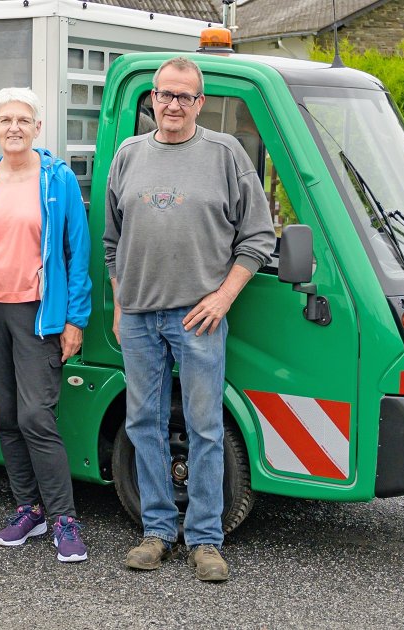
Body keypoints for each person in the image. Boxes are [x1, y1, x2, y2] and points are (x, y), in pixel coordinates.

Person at [103, 57, 275, 582]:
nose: (173, 105)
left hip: (198, 319)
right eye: (164, 95)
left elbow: (259, 238)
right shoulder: (128, 155)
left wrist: (223, 298)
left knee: (203, 428)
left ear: (200, 103)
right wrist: (118, 304)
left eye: (185, 97)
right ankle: (156, 531)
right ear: (151, 99)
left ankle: (204, 540)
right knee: (143, 425)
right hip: (137, 318)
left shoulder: (226, 154)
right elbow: (113, 243)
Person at [0, 87, 92, 563]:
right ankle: (27, 508)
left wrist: (75, 318)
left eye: (23, 120)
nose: (14, 127)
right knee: (7, 416)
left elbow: (77, 252)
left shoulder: (58, 180)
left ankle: (64, 516)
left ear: (37, 128)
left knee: (36, 417)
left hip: (38, 314)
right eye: (5, 120)